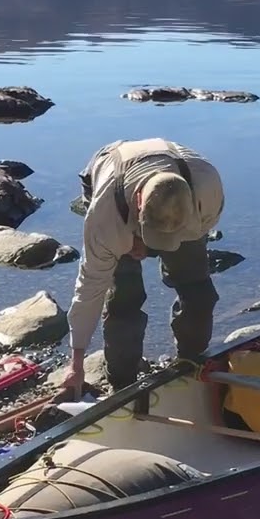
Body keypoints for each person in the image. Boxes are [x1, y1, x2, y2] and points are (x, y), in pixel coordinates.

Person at [60, 138, 224, 398]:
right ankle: (122, 385)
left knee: (198, 293)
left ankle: (190, 363)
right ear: (138, 200)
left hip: (185, 183)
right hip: (113, 179)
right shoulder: (105, 219)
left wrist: (149, 247)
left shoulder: (208, 191)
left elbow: (195, 239)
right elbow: (89, 290)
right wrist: (76, 363)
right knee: (124, 300)